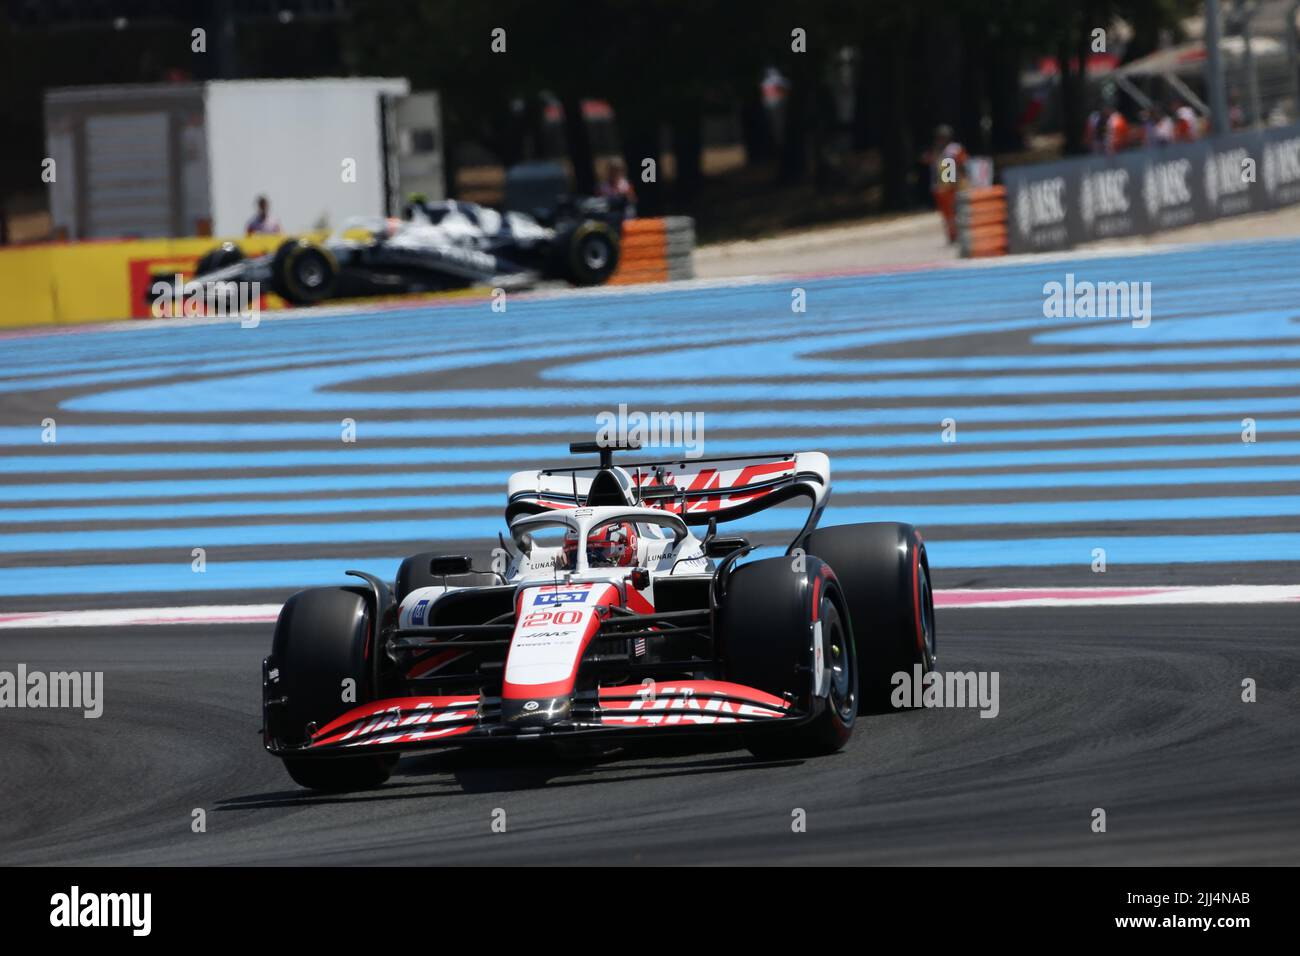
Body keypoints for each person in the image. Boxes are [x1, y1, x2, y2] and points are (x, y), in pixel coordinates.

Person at [928, 124, 967, 244]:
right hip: (942, 187)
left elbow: (963, 165)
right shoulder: (938, 151)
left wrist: (961, 181)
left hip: (954, 186)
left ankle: (960, 235)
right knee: (947, 215)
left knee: (958, 212)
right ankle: (952, 236)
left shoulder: (954, 149)